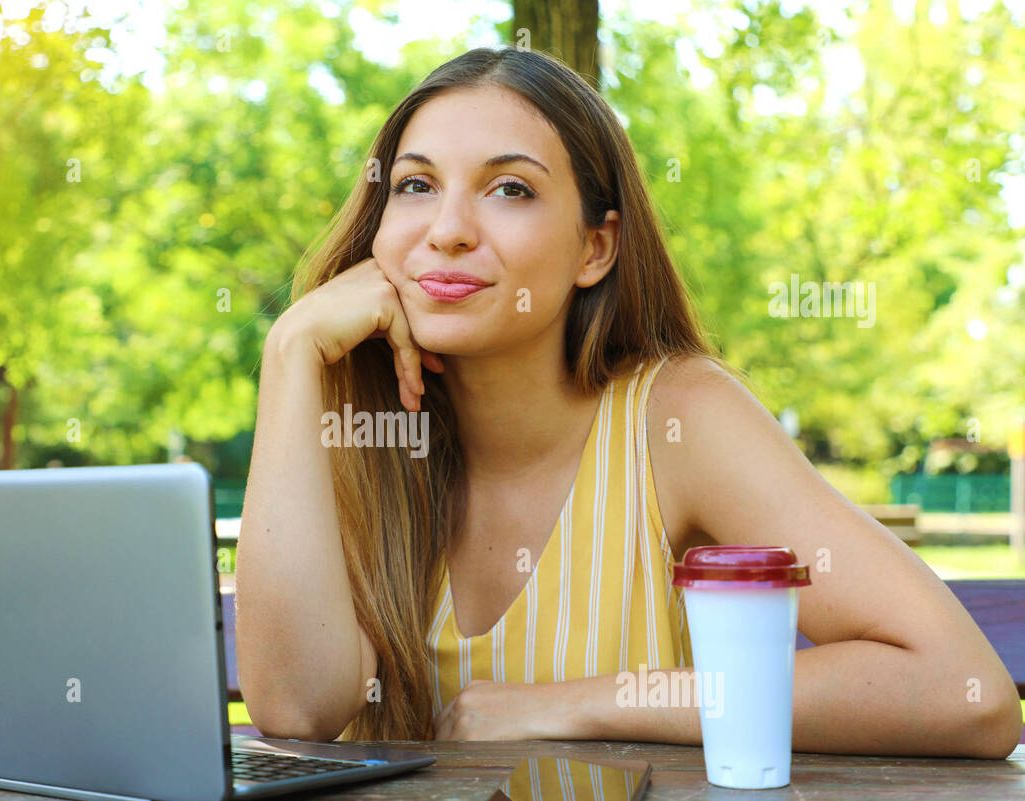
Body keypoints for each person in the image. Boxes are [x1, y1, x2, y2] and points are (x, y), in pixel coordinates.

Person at [235, 46, 1020, 758]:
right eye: (416, 185)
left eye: (509, 189)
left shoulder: (678, 422)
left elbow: (964, 692)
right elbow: (297, 709)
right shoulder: (348, 431)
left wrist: (573, 707)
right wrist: (290, 357)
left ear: (595, 247)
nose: (446, 230)